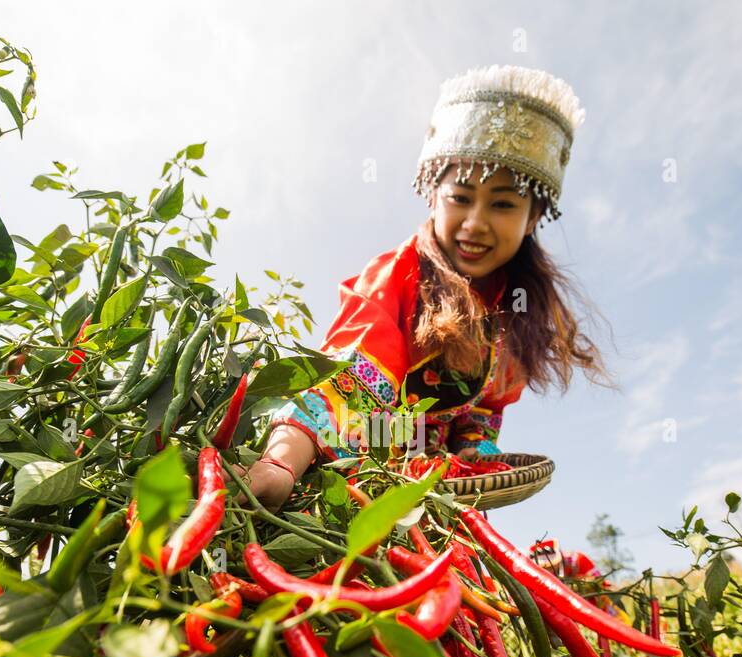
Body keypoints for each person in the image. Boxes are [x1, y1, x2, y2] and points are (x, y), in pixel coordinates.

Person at [241, 65, 615, 511]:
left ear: (532, 219)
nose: (475, 223)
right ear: (433, 196)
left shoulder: (516, 309)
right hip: (353, 481)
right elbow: (348, 378)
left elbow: (480, 415)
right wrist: (281, 464)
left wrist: (476, 453)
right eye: (460, 198)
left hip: (436, 499)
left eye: (502, 204)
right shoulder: (397, 275)